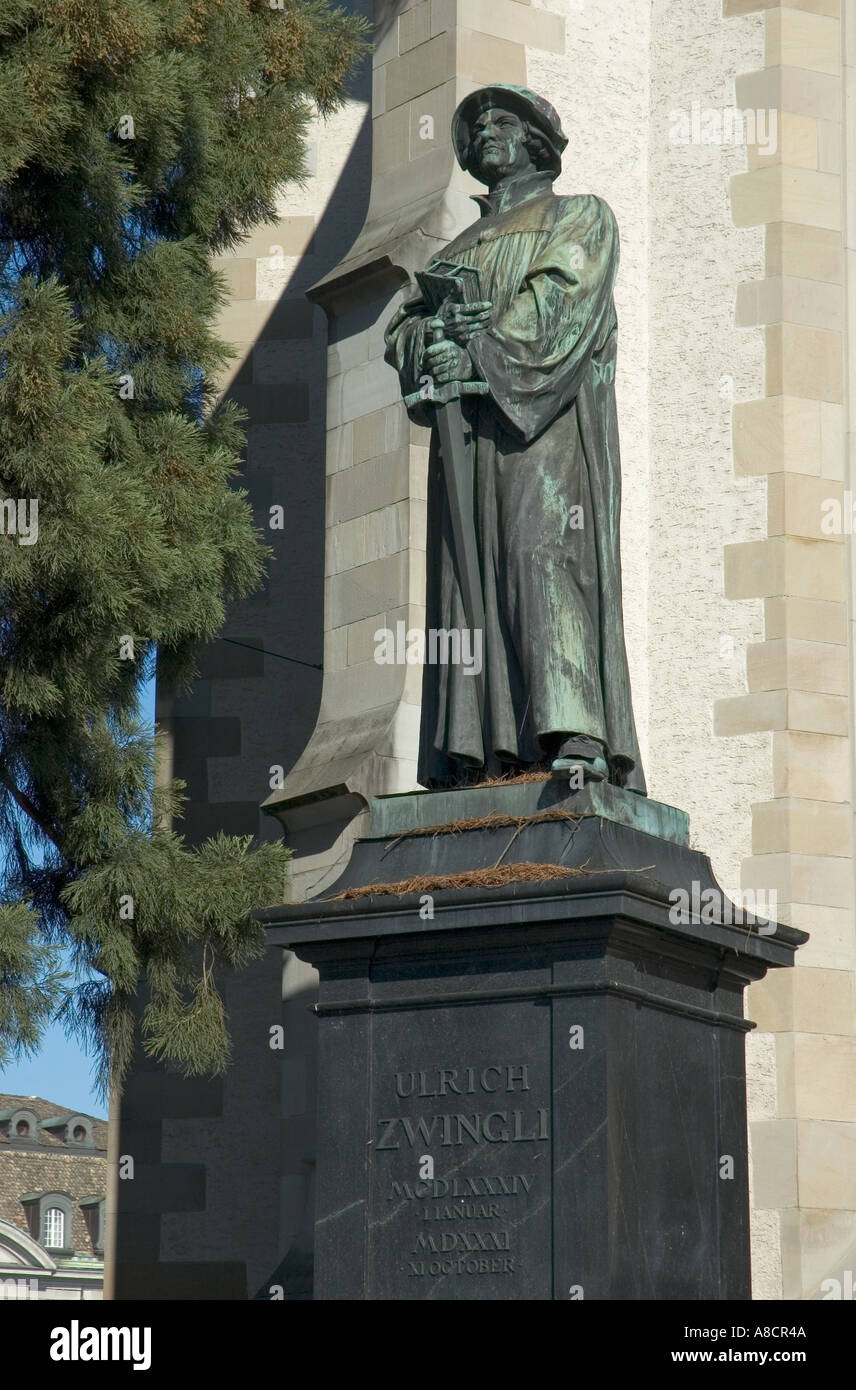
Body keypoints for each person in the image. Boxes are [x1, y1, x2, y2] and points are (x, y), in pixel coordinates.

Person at [384, 84, 646, 795]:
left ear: (537, 140)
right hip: (467, 442)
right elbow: (401, 332)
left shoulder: (579, 217)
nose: (484, 135)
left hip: (546, 433)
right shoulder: (456, 249)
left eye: (502, 122)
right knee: (466, 588)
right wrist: (430, 344)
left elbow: (562, 301)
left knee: (540, 557)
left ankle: (575, 736)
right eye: (474, 130)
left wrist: (477, 352)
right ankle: (476, 752)